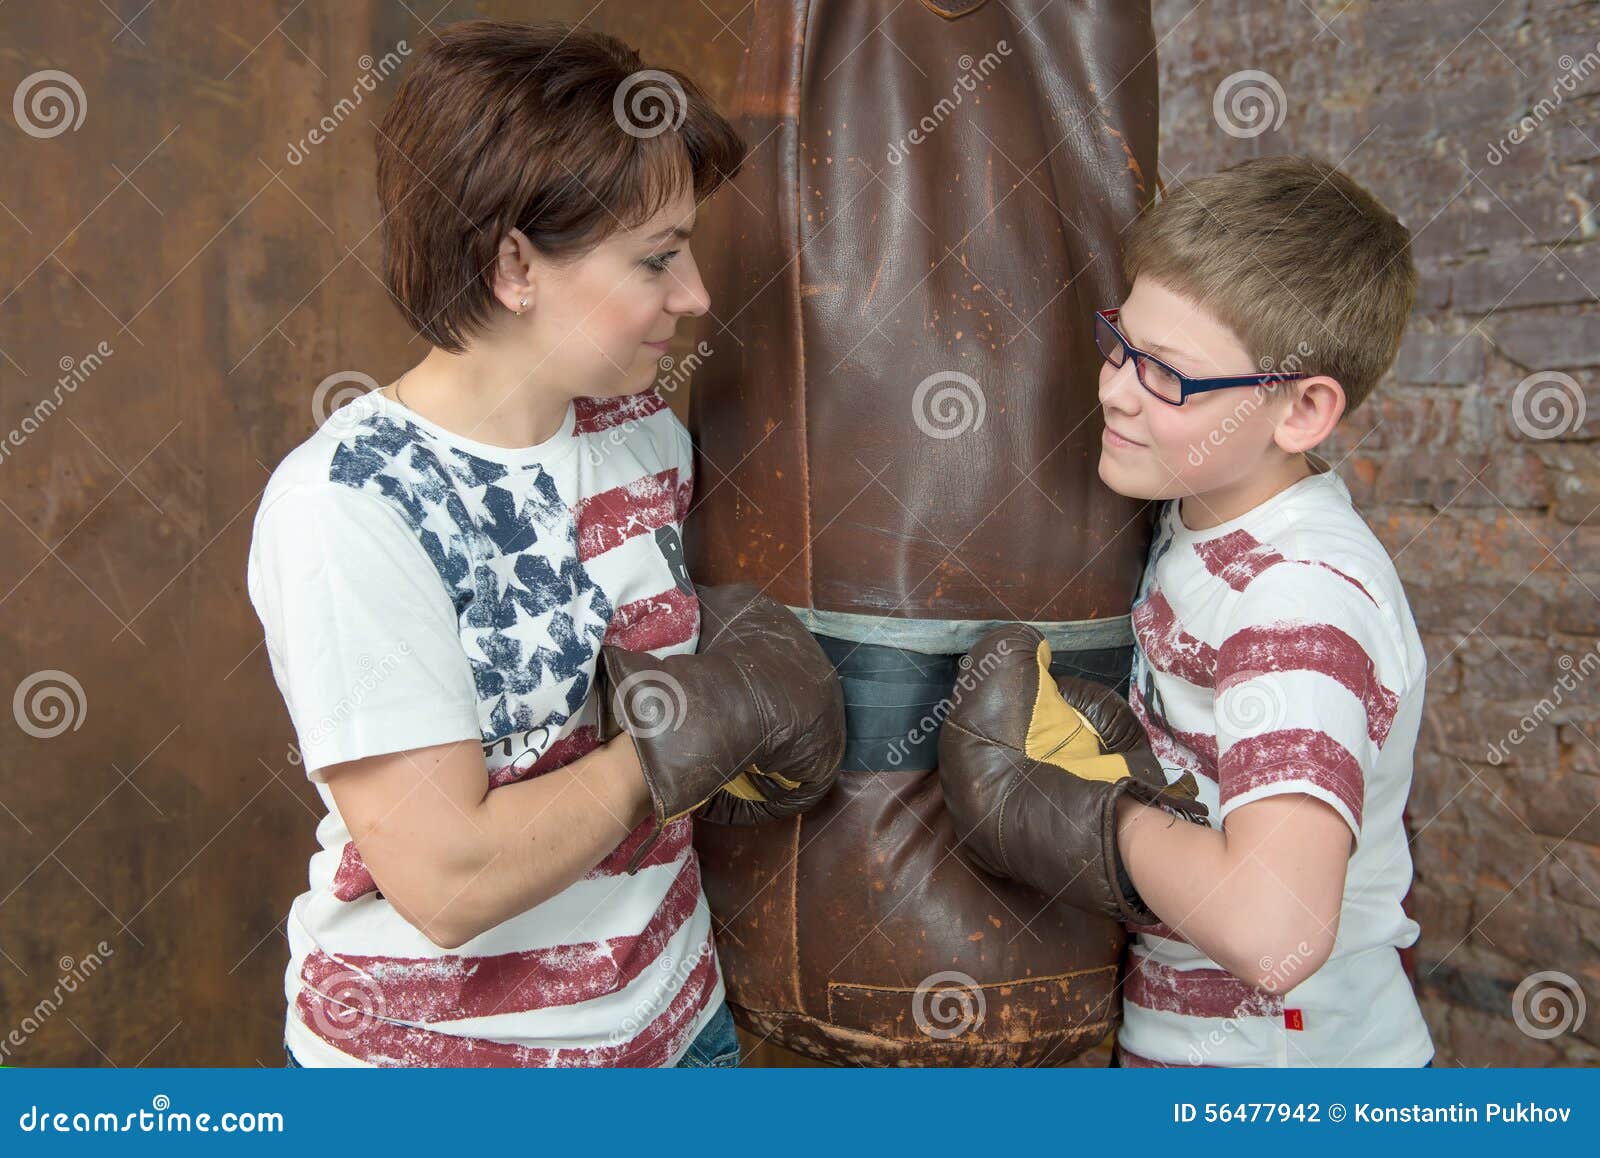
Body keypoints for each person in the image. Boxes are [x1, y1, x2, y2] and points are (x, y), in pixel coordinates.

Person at [247, 19, 841, 1068]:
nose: (696, 293)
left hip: (680, 1028)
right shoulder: (350, 509)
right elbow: (447, 883)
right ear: (516, 266)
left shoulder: (645, 434)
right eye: (656, 258)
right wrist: (687, 731)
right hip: (440, 1071)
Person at [938, 153, 1436, 1067]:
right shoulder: (1197, 518)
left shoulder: (1297, 596)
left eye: (1167, 375)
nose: (1115, 387)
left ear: (1300, 412)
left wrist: (1081, 809)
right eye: (1120, 342)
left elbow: (1272, 928)